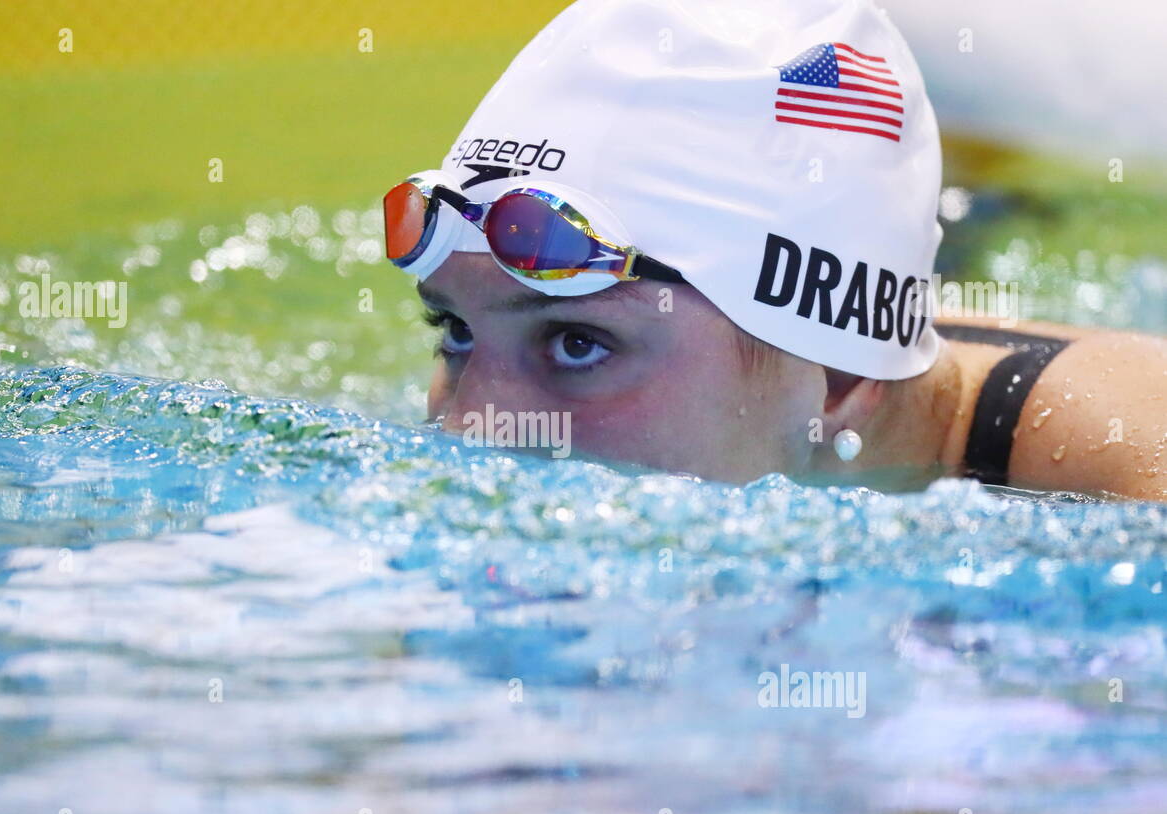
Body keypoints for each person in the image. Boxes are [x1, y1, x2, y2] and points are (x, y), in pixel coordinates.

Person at [381, 0, 1167, 500]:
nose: (469, 431)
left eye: (579, 343)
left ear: (835, 378)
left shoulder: (1135, 482)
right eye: (455, 332)